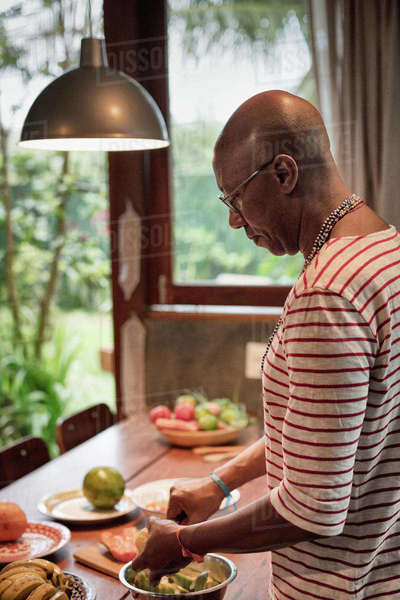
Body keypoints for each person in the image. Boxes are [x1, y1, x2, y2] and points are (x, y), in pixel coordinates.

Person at [132, 91, 400, 599]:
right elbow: (329, 434)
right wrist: (220, 483)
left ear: (283, 173)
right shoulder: (386, 251)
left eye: (235, 198)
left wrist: (186, 542)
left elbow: (311, 507)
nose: (234, 220)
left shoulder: (330, 291)